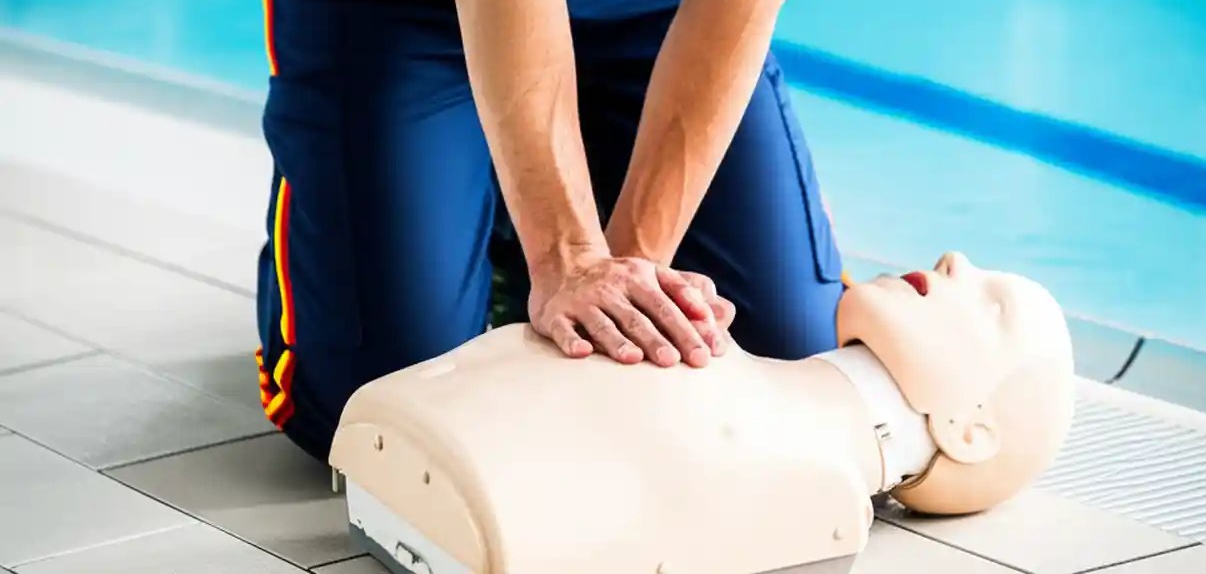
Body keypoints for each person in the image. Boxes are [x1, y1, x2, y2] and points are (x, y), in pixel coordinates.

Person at [251, 0, 862, 460]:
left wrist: (629, 275)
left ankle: (513, 219)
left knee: (789, 347)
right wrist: (566, 258)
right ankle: (461, 205)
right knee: (376, 409)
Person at [330, 252, 1076, 573]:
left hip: (422, 452)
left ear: (968, 431)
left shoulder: (818, 489)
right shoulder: (757, 395)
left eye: (992, 303)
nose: (953, 262)